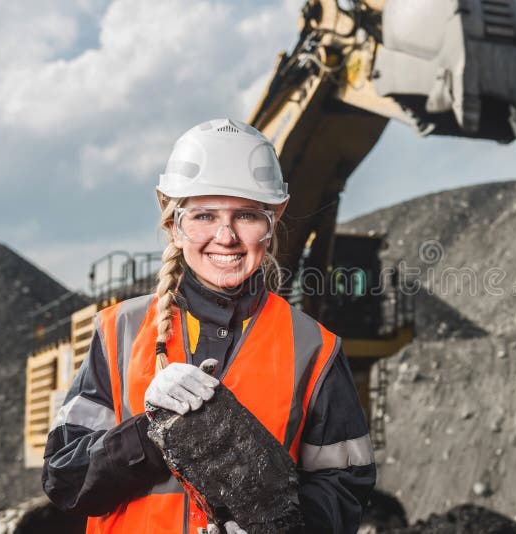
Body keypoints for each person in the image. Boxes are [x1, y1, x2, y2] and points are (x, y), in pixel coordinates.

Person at [42, 119, 376, 533]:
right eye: (202, 215)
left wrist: (281, 527)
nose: (225, 236)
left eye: (247, 216)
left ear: (274, 220)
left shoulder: (315, 348)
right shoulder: (119, 331)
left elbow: (345, 485)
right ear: (173, 225)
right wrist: (152, 431)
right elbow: (64, 480)